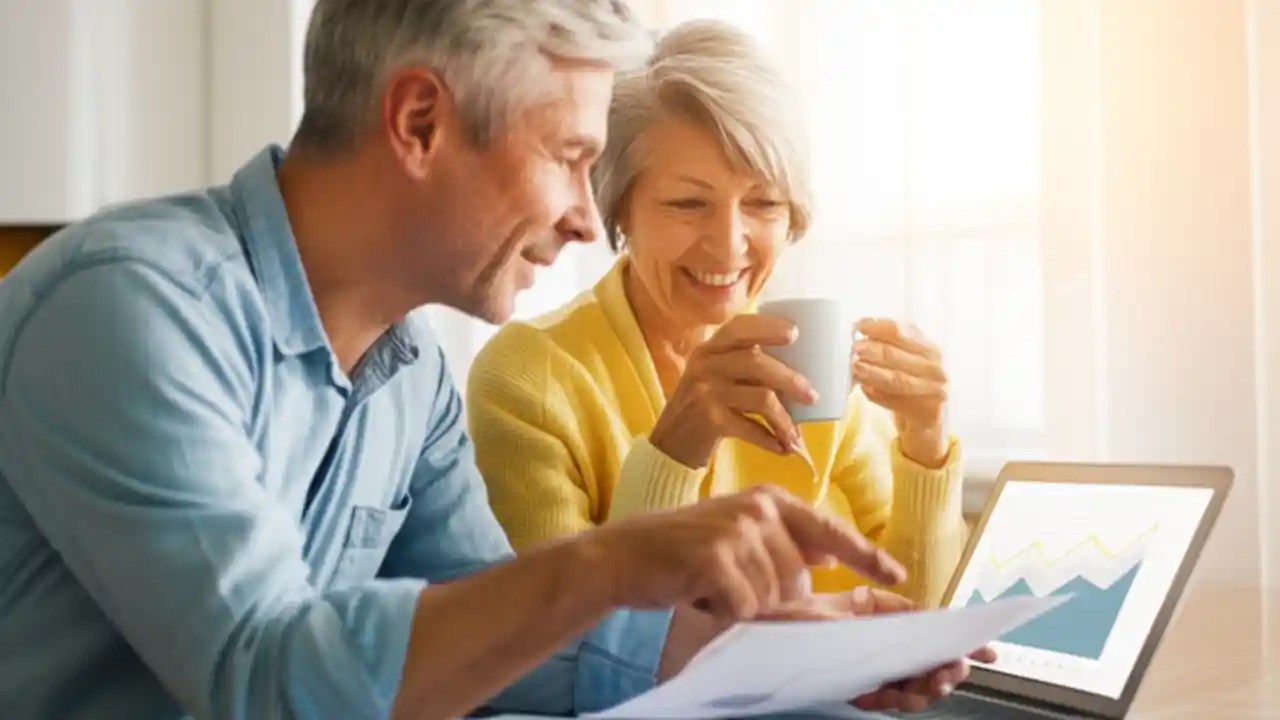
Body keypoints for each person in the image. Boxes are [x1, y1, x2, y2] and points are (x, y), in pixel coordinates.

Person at [0, 2, 990, 719]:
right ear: (419, 122)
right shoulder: (132, 305)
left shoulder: (408, 376)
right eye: (567, 156)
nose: (578, 213)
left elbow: (513, 640)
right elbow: (264, 681)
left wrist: (787, 650)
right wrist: (610, 561)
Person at [468, 19, 968, 608]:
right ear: (619, 207)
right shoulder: (527, 378)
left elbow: (916, 614)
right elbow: (560, 644)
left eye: (762, 204)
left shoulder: (806, 359)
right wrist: (673, 453)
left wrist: (924, 443)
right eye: (688, 203)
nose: (730, 244)